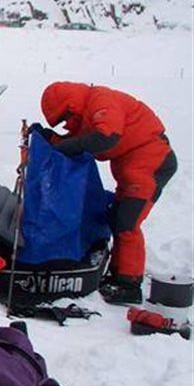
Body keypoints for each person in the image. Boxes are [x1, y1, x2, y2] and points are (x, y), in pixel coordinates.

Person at [39, 82, 178, 304]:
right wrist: (51, 139)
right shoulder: (88, 110)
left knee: (127, 222)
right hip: (132, 168)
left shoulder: (101, 102)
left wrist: (66, 146)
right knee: (117, 218)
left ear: (71, 105)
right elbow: (82, 140)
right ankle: (118, 274)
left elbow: (106, 137)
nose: (67, 125)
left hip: (151, 162)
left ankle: (129, 284)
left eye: (65, 118)